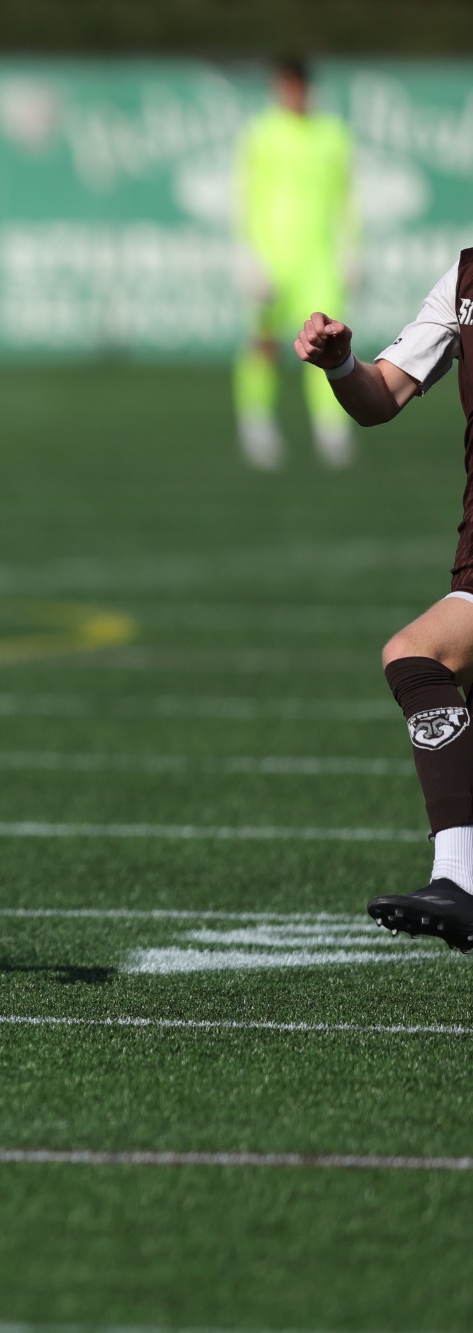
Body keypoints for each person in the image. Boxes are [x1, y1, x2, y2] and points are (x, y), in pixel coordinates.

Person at [296, 260, 473, 951]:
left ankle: (458, 879)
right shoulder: (462, 282)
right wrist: (342, 367)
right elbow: (381, 396)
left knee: (416, 653)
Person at [234, 58, 353, 470]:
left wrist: (352, 250)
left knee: (327, 342)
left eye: (299, 85)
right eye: (287, 85)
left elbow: (346, 199)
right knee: (263, 343)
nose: (294, 93)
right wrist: (248, 254)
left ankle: (331, 426)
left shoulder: (332, 135)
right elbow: (247, 195)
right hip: (272, 259)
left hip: (318, 261)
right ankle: (256, 421)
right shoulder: (262, 133)